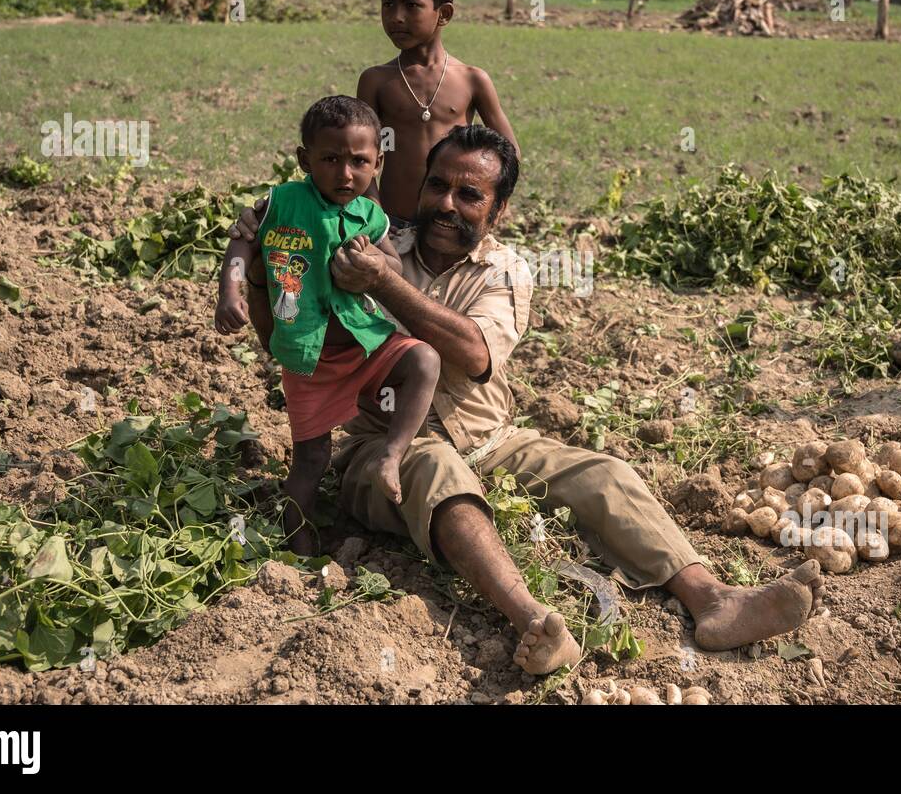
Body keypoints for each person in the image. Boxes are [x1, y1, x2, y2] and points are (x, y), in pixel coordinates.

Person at [230, 125, 824, 674]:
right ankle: (537, 623)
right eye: (437, 185)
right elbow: (285, 321)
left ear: (498, 209)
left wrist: (386, 285)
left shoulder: (504, 271)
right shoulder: (368, 243)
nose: (446, 204)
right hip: (383, 446)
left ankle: (714, 599)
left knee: (605, 473)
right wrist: (258, 259)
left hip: (494, 442)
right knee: (436, 469)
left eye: (470, 194)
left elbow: (473, 353)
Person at [215, 96, 441, 555]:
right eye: (330, 159)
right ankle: (297, 543)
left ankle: (391, 454)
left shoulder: (371, 215)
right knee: (311, 459)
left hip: (362, 342)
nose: (345, 174)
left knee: (424, 360)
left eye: (359, 162)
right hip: (308, 358)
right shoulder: (280, 202)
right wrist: (231, 291)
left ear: (377, 162)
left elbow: (394, 267)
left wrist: (376, 261)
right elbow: (240, 246)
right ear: (305, 159)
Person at [356, 0, 519, 228]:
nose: (396, 17)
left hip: (454, 226)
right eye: (388, 4)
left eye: (411, 5)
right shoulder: (376, 81)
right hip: (392, 222)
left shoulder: (472, 80)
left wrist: (487, 210)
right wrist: (374, 212)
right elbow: (361, 154)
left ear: (443, 14)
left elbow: (510, 153)